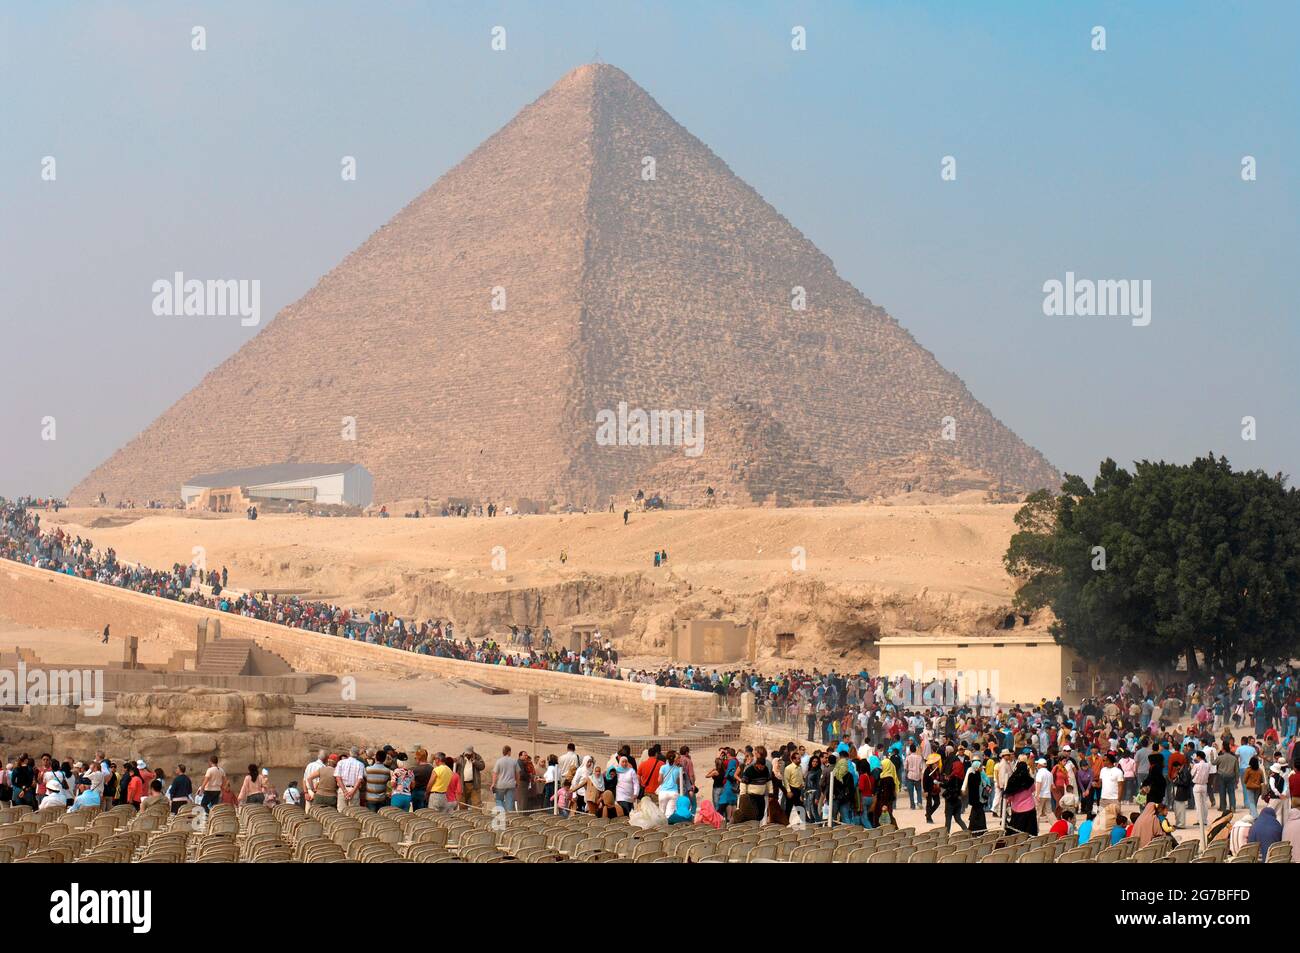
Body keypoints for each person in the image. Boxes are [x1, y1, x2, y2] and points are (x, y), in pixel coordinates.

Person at [1004, 758, 1038, 836]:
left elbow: (1009, 797)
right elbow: (1033, 790)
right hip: (1030, 808)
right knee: (1030, 832)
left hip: (1017, 810)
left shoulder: (1012, 781)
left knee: (1017, 832)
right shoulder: (1029, 780)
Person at [493, 745, 518, 812]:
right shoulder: (514, 761)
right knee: (510, 801)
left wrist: (493, 784)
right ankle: (509, 816)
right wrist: (517, 782)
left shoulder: (499, 761)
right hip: (511, 784)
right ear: (509, 752)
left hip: (500, 785)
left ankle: (502, 812)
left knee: (498, 799)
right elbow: (517, 773)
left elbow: (495, 773)